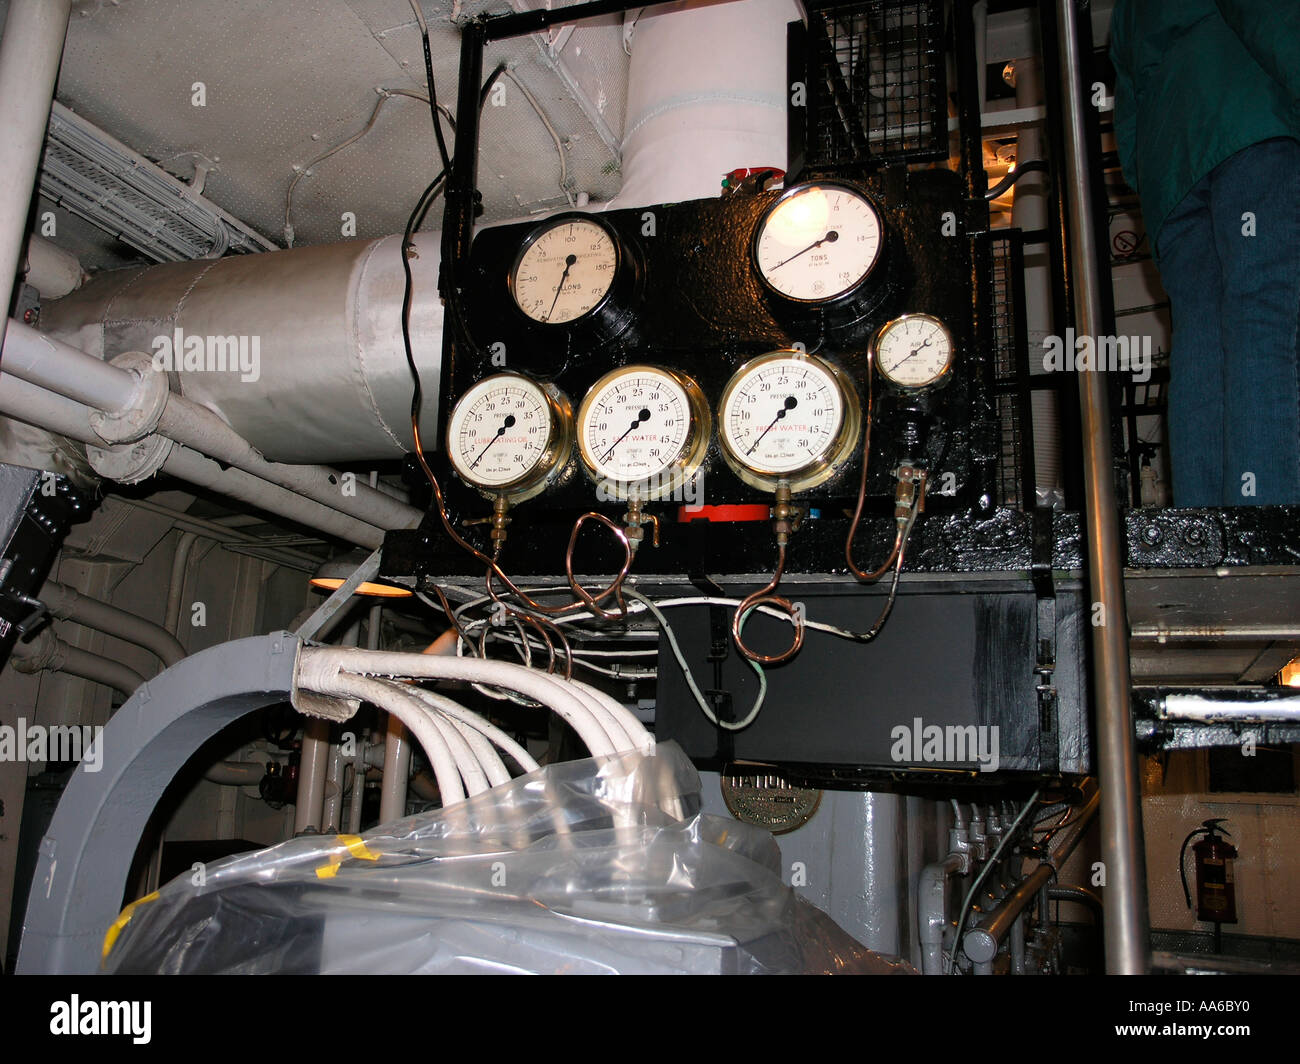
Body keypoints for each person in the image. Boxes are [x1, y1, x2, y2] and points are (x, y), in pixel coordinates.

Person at [1110, 1, 1300, 507]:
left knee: (1200, 334)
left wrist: (1153, 179)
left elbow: (1126, 115)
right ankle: (1269, 517)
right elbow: (1270, 14)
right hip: (1249, 116)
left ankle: (1208, 528)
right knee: (1264, 310)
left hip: (1171, 171)